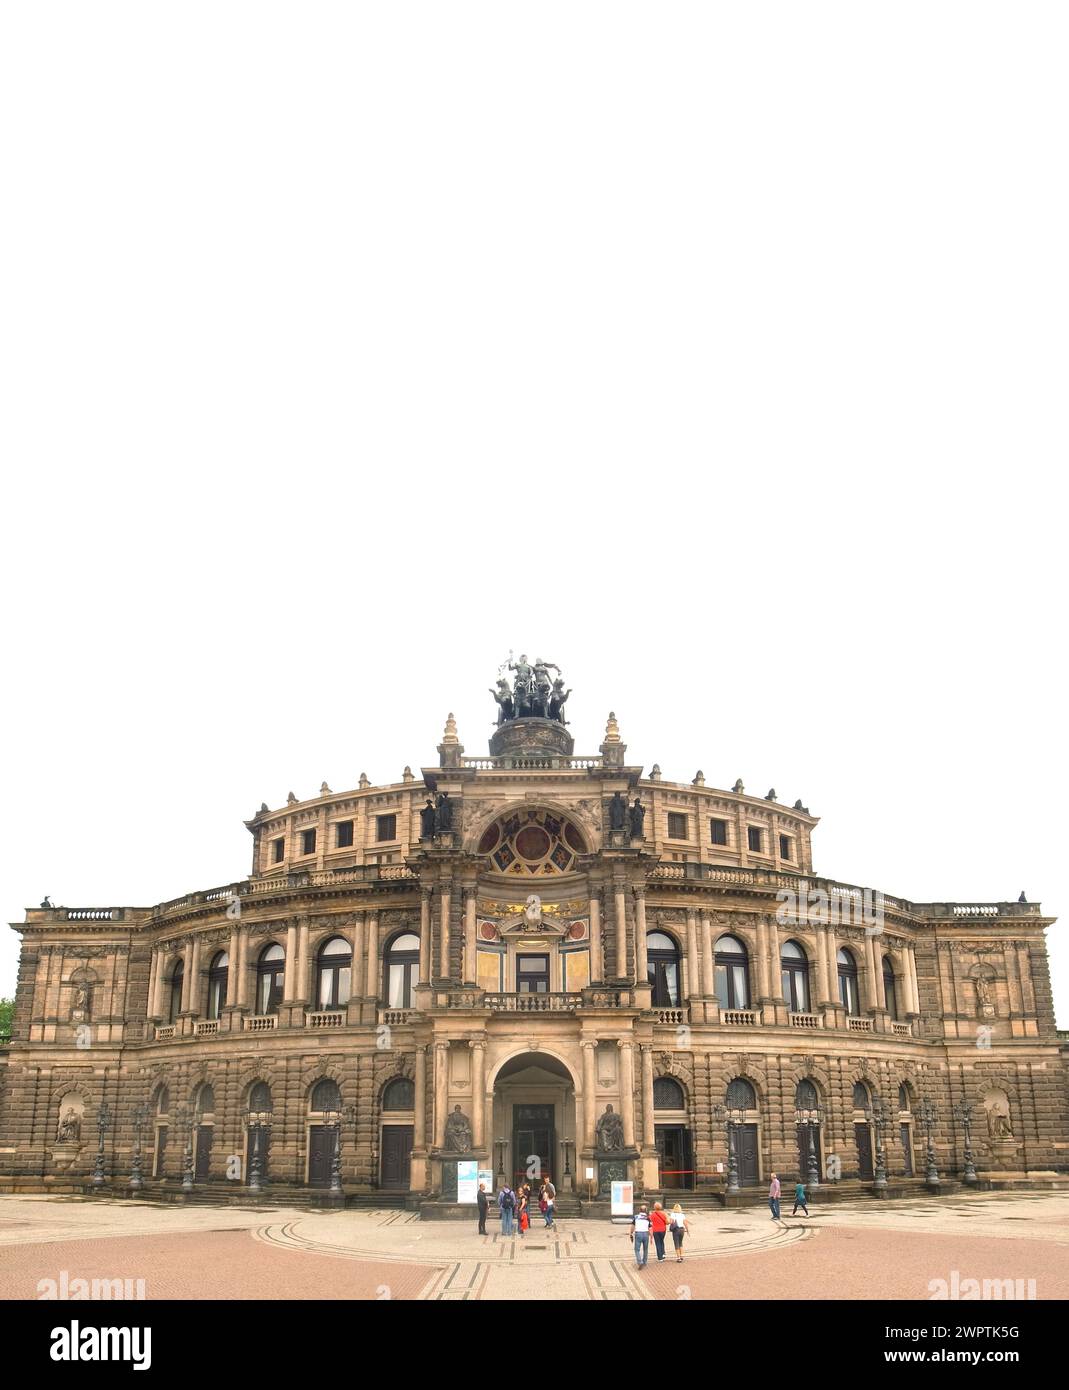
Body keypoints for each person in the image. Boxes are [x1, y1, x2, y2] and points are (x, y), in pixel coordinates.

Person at [630, 1204, 651, 1269]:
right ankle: (644, 1262)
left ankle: (640, 1262)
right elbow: (650, 1227)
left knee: (637, 1249)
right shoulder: (648, 1218)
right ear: (646, 1210)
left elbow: (633, 1226)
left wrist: (631, 1233)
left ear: (640, 1210)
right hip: (646, 1234)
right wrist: (651, 1236)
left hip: (638, 1233)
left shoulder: (636, 1217)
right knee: (645, 1249)